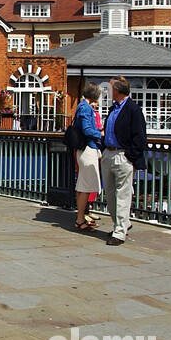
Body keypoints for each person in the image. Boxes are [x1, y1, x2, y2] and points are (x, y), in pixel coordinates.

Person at [99, 76, 148, 246]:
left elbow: (140, 137)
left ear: (118, 90)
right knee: (110, 195)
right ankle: (123, 223)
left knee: (123, 195)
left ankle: (119, 232)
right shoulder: (113, 109)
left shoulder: (133, 110)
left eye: (110, 88)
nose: (108, 91)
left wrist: (130, 157)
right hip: (108, 154)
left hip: (122, 155)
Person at [72, 83, 104, 231]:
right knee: (85, 187)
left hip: (83, 149)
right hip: (87, 148)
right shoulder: (85, 108)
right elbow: (86, 129)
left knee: (82, 186)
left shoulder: (81, 106)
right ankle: (80, 219)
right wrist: (101, 134)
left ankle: (81, 218)